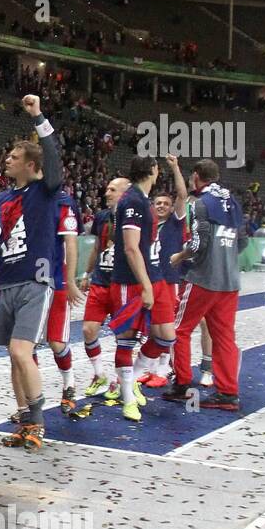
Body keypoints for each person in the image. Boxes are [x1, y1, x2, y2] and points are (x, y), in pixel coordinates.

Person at [0, 95, 63, 450]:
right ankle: (22, 419)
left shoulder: (45, 191)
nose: (8, 159)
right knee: (13, 356)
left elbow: (54, 159)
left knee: (23, 351)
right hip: (4, 282)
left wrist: (38, 117)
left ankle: (37, 420)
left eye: (15, 157)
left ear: (32, 164)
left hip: (36, 279)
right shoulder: (1, 200)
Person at [164, 159, 245, 410]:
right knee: (224, 337)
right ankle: (228, 393)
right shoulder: (233, 202)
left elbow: (199, 245)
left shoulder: (200, 204)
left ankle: (183, 384)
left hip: (203, 279)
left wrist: (179, 257)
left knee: (179, 329)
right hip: (229, 281)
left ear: (197, 176)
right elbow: (242, 242)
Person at [108, 156, 178, 423]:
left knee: (166, 336)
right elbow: (130, 247)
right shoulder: (133, 201)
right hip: (132, 280)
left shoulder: (142, 200)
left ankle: (131, 380)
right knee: (126, 339)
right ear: (152, 170)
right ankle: (127, 397)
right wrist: (146, 285)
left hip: (155, 276)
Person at [139, 154, 187, 387]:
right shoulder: (147, 225)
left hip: (168, 280)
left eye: (166, 204)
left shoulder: (175, 223)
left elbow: (182, 195)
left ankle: (163, 367)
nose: (161, 206)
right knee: (152, 326)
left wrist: (175, 168)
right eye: (158, 203)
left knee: (166, 324)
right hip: (150, 280)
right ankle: (149, 367)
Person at [80, 176, 129, 397]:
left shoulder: (135, 217)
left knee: (123, 336)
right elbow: (97, 247)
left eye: (112, 189)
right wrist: (86, 273)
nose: (106, 193)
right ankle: (99, 374)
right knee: (88, 330)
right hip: (100, 281)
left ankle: (123, 380)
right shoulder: (101, 217)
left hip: (123, 284)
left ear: (125, 193)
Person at [42, 187, 83, 411]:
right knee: (23, 347)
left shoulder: (62, 201)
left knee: (56, 342)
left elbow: (71, 242)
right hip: (27, 282)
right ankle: (29, 405)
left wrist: (71, 281)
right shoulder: (19, 196)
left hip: (55, 280)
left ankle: (69, 382)